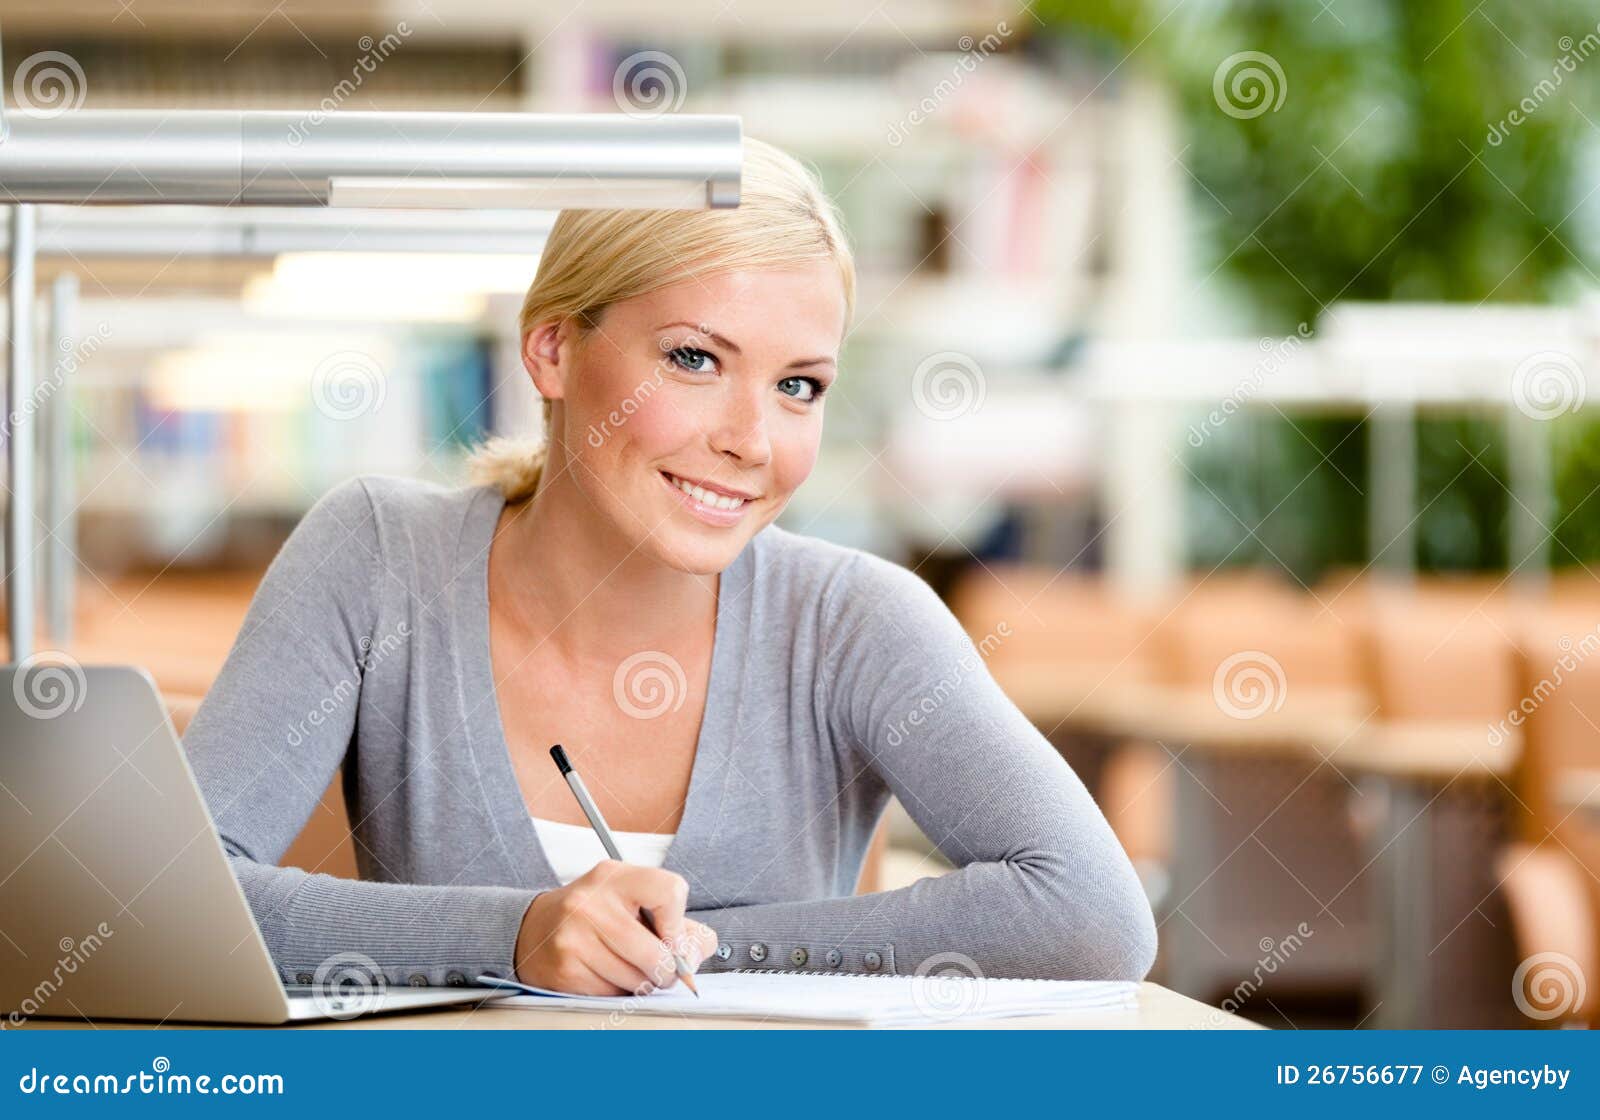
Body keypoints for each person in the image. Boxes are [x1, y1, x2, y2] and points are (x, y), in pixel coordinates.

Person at [183, 137, 1157, 999]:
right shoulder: (379, 558)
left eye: (798, 385)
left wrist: (694, 950)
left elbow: (1092, 914)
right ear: (553, 348)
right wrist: (515, 937)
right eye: (694, 359)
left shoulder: (853, 620)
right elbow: (160, 897)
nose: (751, 439)